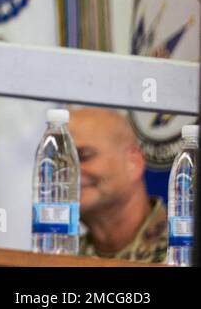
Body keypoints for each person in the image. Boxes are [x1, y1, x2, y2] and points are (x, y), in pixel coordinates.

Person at [68, 107, 168, 263]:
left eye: (83, 156)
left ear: (132, 162)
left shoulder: (186, 249)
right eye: (61, 161)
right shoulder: (61, 258)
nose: (68, 171)